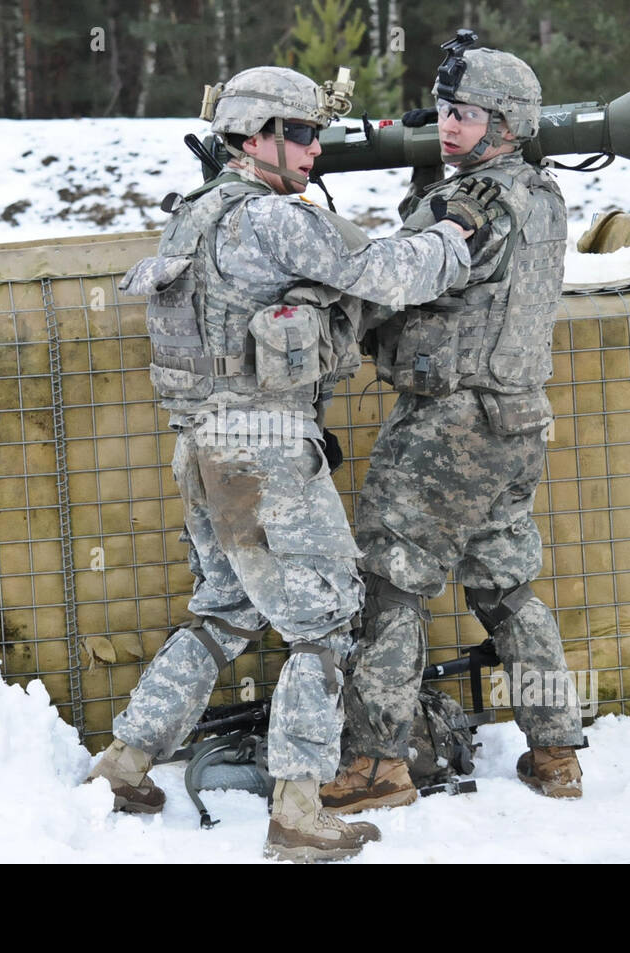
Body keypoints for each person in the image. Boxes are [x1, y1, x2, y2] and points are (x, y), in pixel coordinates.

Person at [85, 65, 485, 862]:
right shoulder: (271, 220)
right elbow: (385, 272)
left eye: (316, 135)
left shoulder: (196, 215)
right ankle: (300, 807)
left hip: (203, 448)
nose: (314, 151)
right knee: (327, 616)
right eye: (300, 134)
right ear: (255, 137)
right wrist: (454, 236)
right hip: (264, 452)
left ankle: (127, 760)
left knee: (227, 608)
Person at [322, 40, 586, 814]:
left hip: (448, 422)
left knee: (391, 584)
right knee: (507, 587)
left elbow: (411, 269)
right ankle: (557, 750)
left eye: (464, 115)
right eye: (443, 112)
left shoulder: (467, 205)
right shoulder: (539, 194)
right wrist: (431, 176)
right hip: (516, 416)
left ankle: (376, 764)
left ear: (504, 125)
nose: (446, 125)